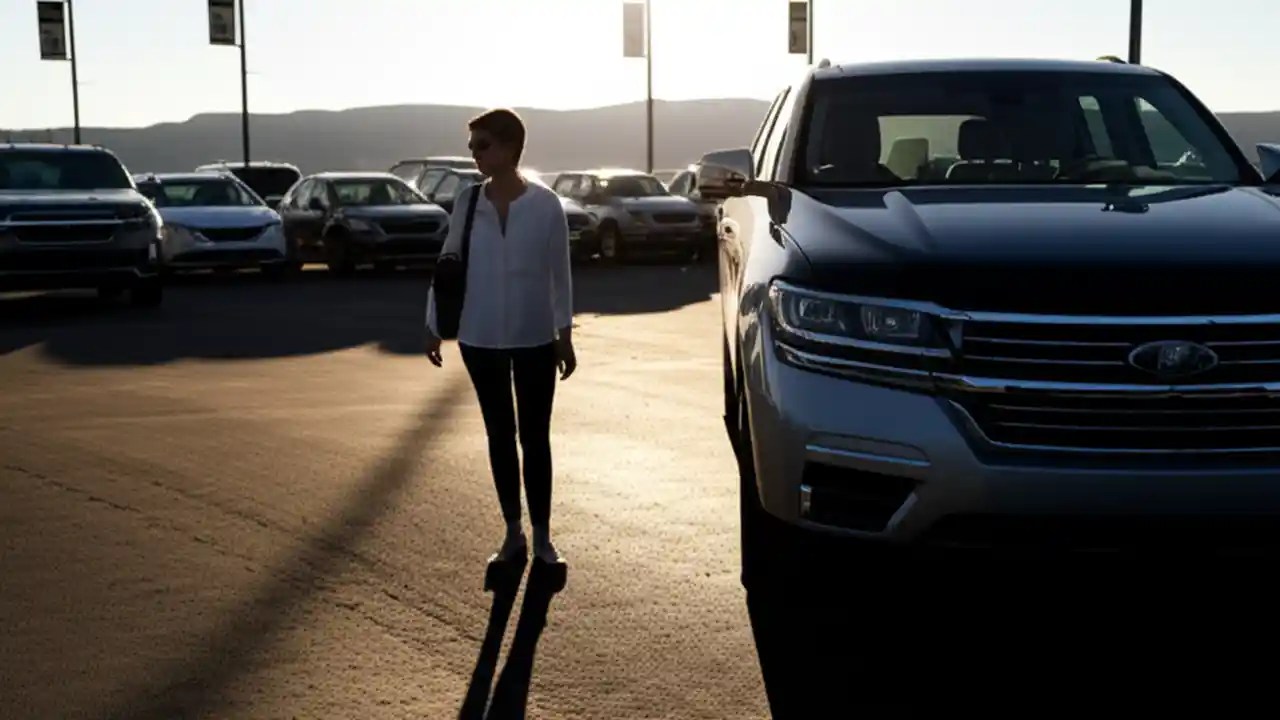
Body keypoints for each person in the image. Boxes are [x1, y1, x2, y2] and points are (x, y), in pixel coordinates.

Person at [423, 108, 576, 566]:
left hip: (534, 338)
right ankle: (513, 532)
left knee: (535, 436)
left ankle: (544, 537)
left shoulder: (546, 205)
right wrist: (434, 325)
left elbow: (560, 276)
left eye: (483, 145)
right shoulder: (468, 203)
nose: (474, 155)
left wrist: (563, 333)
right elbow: (448, 264)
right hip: (478, 334)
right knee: (499, 434)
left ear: (510, 149)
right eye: (472, 147)